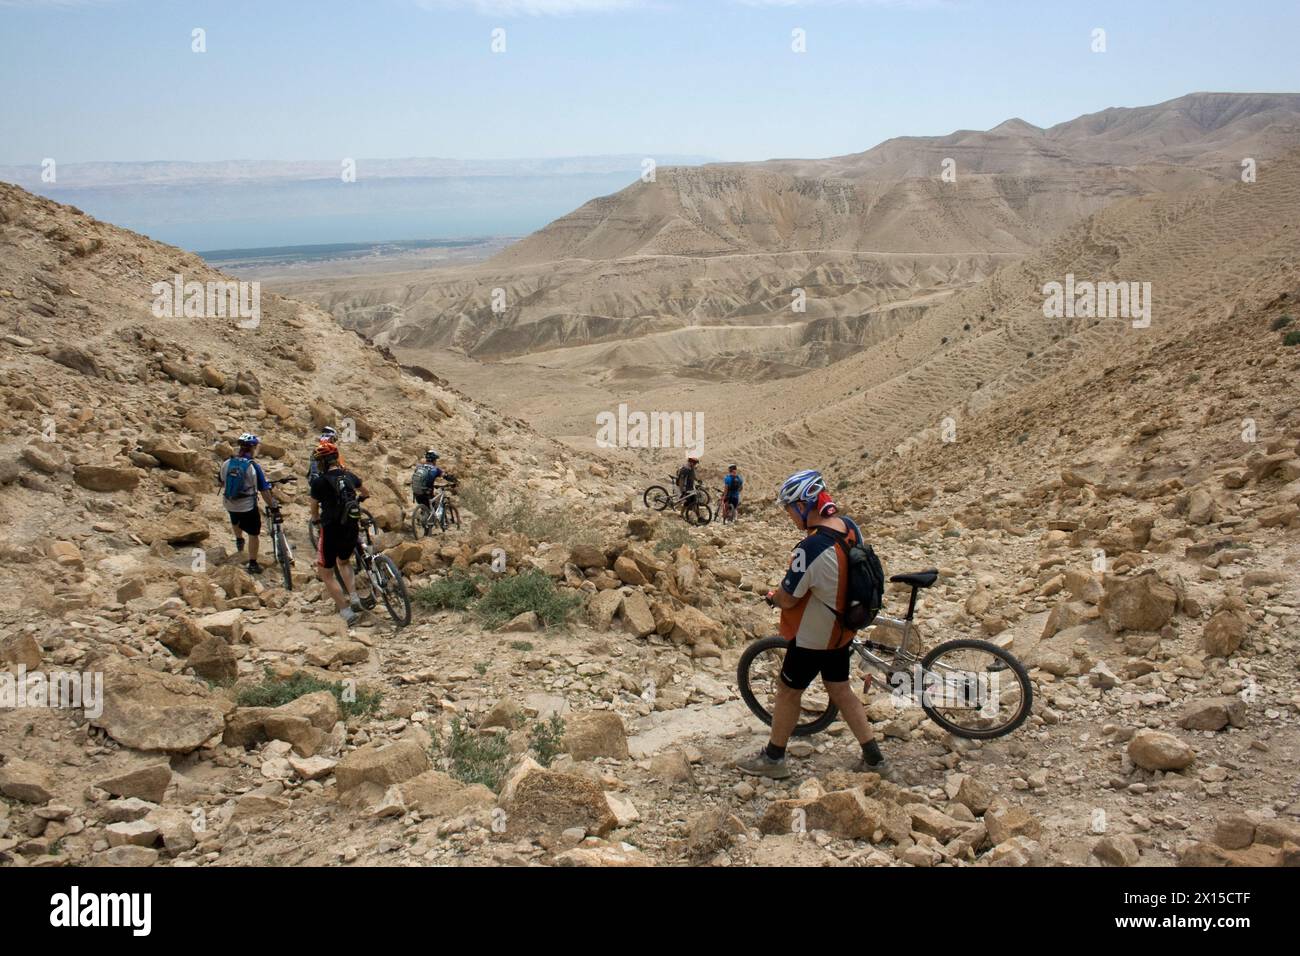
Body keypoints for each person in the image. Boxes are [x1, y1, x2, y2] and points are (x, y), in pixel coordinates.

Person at [736, 469, 890, 779]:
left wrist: (774, 596)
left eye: (790, 507)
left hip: (813, 637)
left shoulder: (809, 549)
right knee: (840, 688)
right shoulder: (850, 528)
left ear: (804, 505)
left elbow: (789, 598)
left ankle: (774, 758)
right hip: (845, 628)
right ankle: (874, 758)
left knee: (788, 691)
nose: (789, 514)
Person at [308, 441, 366, 626]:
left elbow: (314, 507)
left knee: (326, 573)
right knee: (345, 561)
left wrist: (316, 520)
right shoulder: (349, 475)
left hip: (331, 528)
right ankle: (354, 596)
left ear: (323, 462)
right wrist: (359, 499)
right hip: (351, 526)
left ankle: (346, 611)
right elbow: (365, 492)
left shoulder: (319, 482)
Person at [219, 433, 278, 575]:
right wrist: (272, 506)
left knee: (235, 520)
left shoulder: (227, 463)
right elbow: (264, 491)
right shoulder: (253, 467)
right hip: (247, 506)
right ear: (252, 448)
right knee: (253, 533)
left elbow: (221, 481)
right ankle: (253, 563)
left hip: (229, 502)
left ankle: (239, 539)